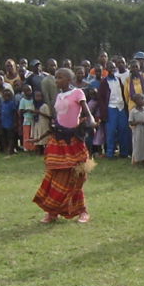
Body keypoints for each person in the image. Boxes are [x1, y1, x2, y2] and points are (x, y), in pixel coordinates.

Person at [31, 68, 95, 224]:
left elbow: (86, 111)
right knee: (54, 175)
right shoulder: (59, 96)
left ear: (68, 79)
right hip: (58, 139)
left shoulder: (78, 93)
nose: (56, 80)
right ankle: (52, 212)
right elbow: (58, 117)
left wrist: (91, 121)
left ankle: (82, 211)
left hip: (74, 139)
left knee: (75, 176)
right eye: (56, 77)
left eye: (59, 78)